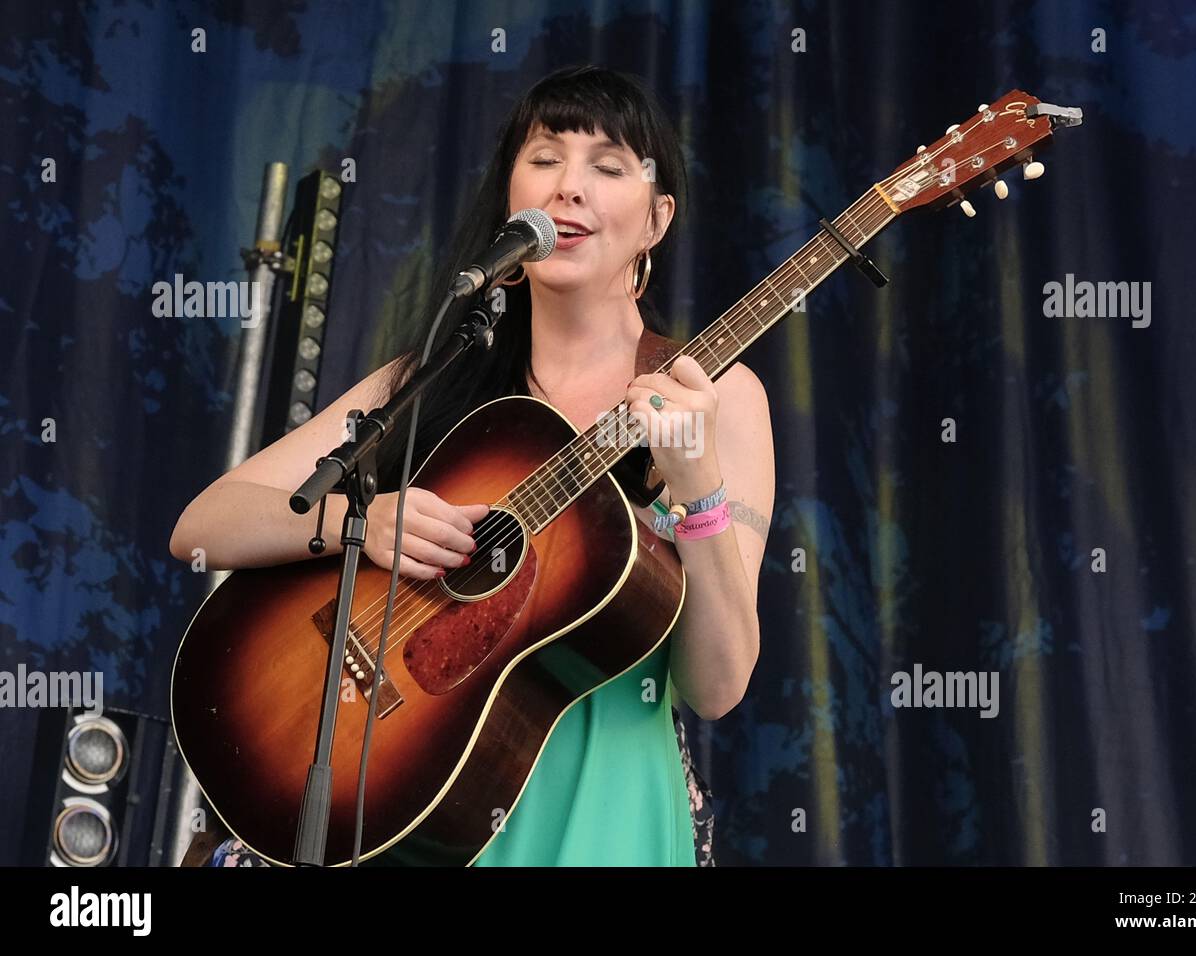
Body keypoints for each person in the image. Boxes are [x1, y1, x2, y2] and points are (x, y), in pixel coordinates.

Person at [170, 64, 774, 866]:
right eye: (546, 157)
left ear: (657, 218)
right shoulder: (436, 375)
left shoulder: (716, 396)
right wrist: (362, 521)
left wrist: (696, 486)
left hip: (606, 812)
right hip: (414, 785)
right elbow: (201, 525)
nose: (570, 188)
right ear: (510, 197)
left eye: (608, 166)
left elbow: (718, 686)